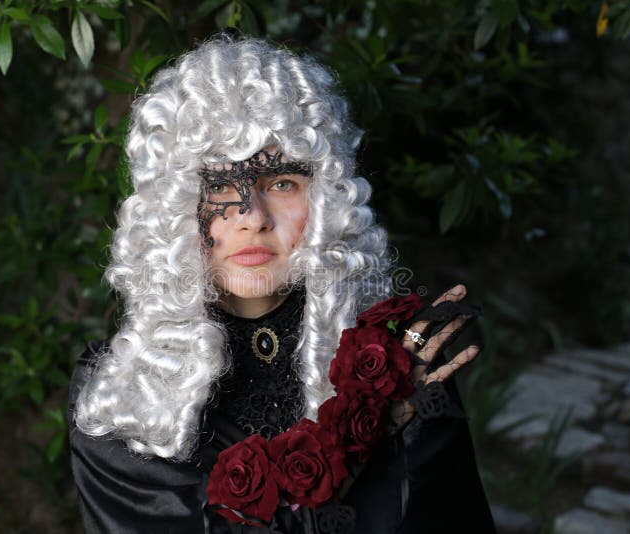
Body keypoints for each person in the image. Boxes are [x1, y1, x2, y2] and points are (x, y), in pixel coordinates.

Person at [68, 33, 496, 533]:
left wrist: (392, 400)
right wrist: (359, 449)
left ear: (328, 199)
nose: (251, 217)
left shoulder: (400, 358)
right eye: (220, 185)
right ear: (173, 208)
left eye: (282, 183)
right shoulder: (120, 394)